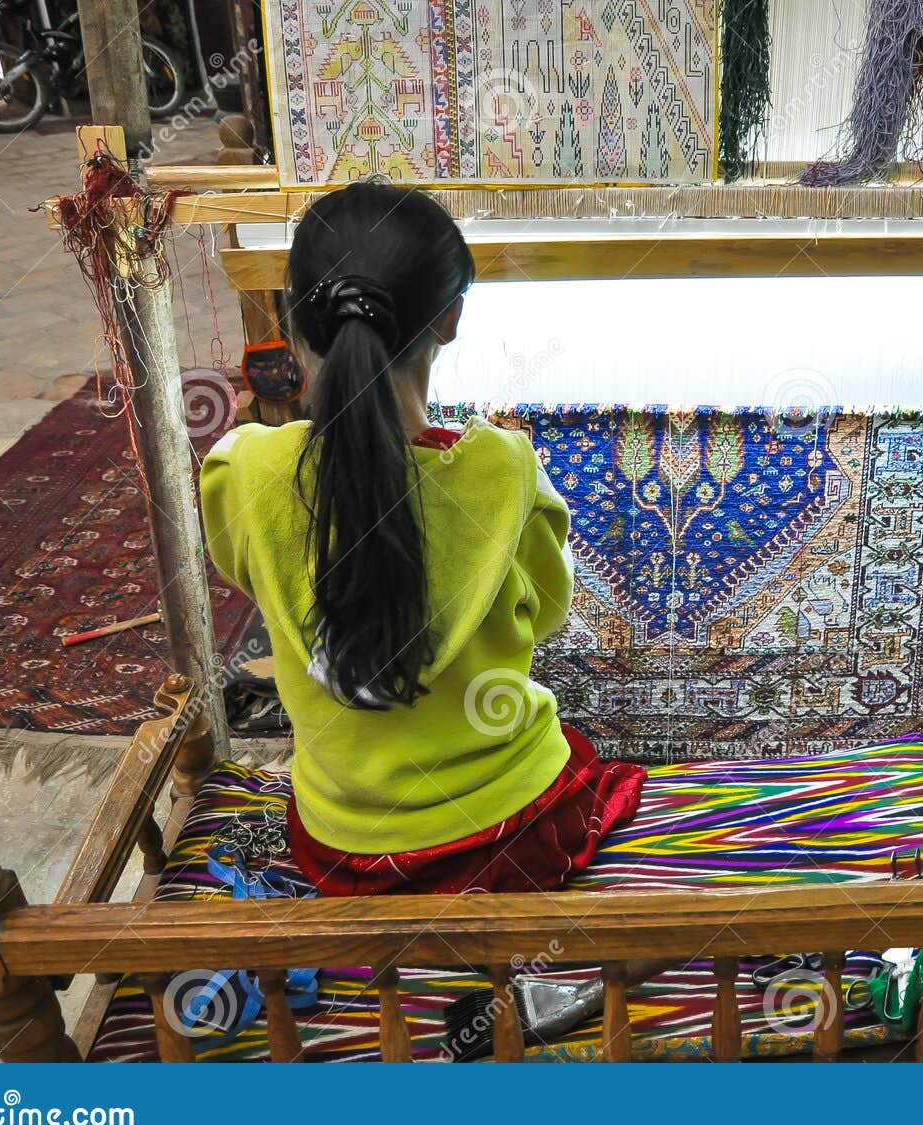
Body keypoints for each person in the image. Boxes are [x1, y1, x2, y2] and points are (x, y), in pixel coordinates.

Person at [200, 183, 644, 896]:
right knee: (584, 760)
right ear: (451, 318)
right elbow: (549, 612)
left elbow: (250, 569)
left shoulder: (241, 472)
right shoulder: (506, 473)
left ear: (296, 321)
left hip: (345, 843)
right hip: (509, 833)